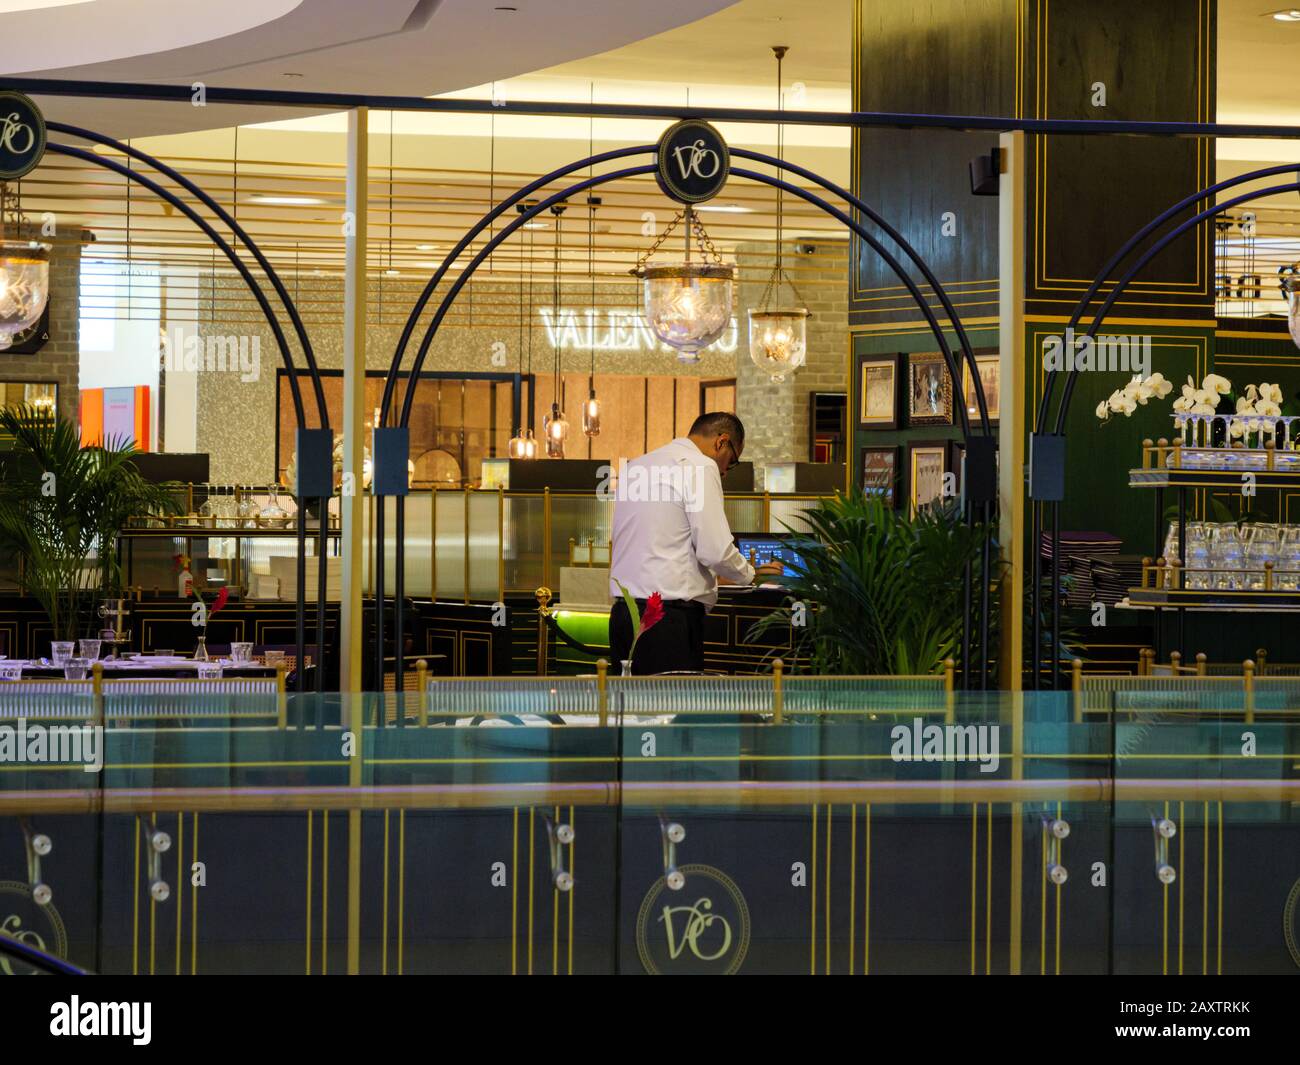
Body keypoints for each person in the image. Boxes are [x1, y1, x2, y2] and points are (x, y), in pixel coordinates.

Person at [608, 412, 781, 674]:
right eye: (731, 462)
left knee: (630, 710)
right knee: (674, 710)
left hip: (623, 614)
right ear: (721, 442)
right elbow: (715, 550)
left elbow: (659, 544)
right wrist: (751, 575)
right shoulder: (700, 466)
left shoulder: (636, 466)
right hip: (666, 621)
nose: (725, 471)